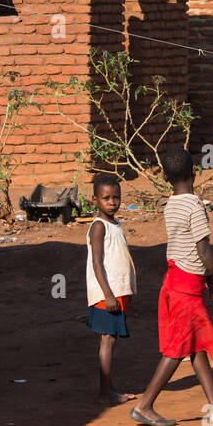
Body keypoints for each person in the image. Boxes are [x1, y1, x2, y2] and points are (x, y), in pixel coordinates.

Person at [130, 148, 213, 426]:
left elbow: (185, 249)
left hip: (178, 281)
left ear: (166, 178)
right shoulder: (195, 206)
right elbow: (203, 250)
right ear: (194, 173)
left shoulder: (171, 204)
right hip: (186, 290)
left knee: (195, 348)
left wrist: (206, 278)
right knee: (177, 350)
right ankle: (145, 404)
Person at [85, 172, 136, 404]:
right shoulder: (99, 227)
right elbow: (97, 262)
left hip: (117, 292)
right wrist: (108, 294)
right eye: (106, 198)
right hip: (108, 294)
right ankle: (105, 392)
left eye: (116, 197)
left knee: (111, 338)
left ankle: (108, 388)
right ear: (95, 200)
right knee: (107, 339)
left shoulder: (115, 223)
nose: (113, 202)